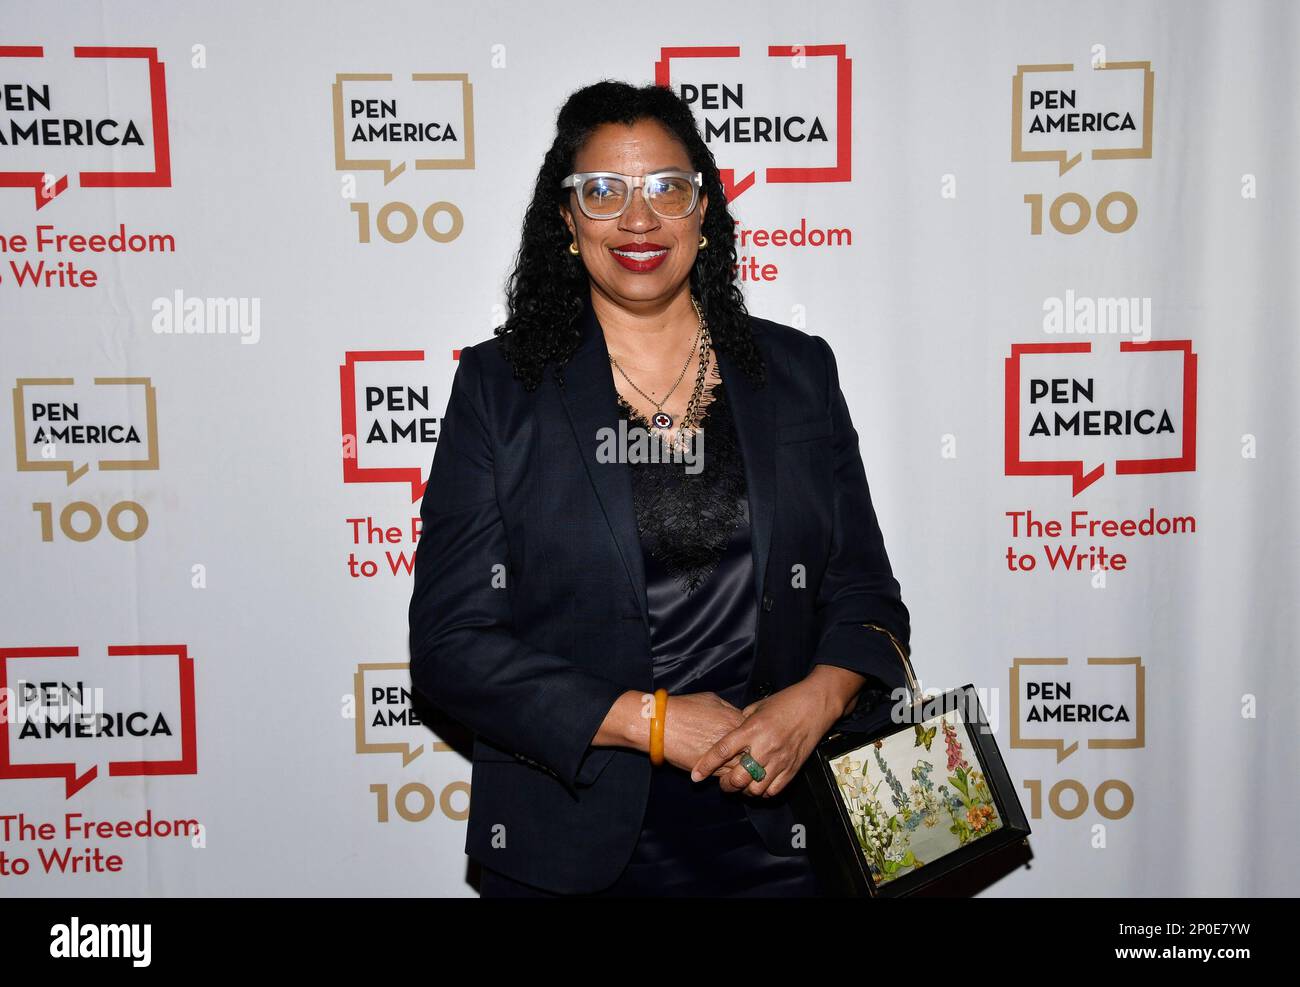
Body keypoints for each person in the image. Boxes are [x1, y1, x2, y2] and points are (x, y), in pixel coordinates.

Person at [407, 80, 912, 897]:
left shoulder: (796, 372)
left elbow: (865, 592)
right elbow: (451, 646)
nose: (637, 219)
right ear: (566, 222)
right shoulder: (501, 387)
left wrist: (815, 702)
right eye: (602, 191)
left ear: (702, 210)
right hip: (578, 848)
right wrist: (656, 721)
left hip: (783, 834)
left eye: (666, 189)